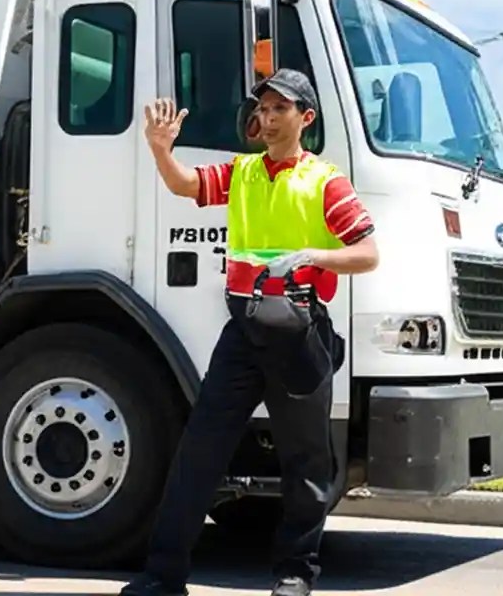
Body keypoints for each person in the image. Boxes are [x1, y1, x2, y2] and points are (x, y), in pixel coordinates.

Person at [120, 69, 380, 596]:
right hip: (243, 332)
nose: (265, 118)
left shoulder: (325, 181)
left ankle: (294, 573)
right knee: (200, 452)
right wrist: (161, 149)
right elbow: (185, 185)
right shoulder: (241, 173)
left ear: (305, 118)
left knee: (305, 462)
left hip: (300, 330)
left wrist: (315, 255)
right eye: (262, 109)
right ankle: (163, 577)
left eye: (280, 109)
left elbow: (368, 253)